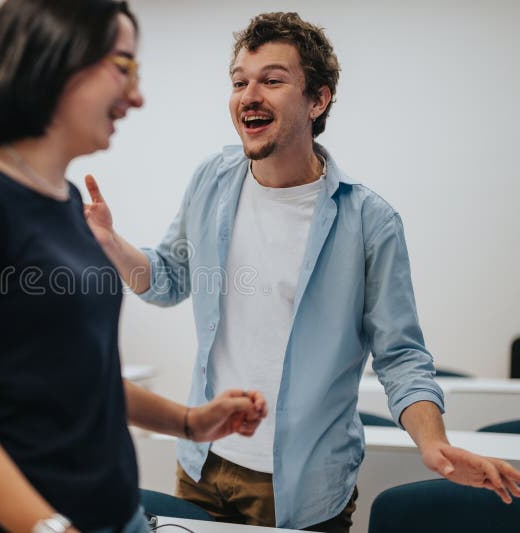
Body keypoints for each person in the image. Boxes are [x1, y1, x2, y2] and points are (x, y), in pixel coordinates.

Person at [83, 11, 520, 533]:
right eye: (239, 82)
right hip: (204, 462)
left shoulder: (369, 221)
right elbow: (169, 279)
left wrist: (435, 444)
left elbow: (401, 356)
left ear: (318, 99)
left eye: (271, 80)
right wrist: (110, 243)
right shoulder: (212, 180)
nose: (249, 95)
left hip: (305, 484)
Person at [0, 2, 267, 533]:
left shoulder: (66, 200)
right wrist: (47, 527)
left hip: (114, 515)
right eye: (124, 67)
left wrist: (190, 423)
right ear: (53, 58)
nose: (136, 96)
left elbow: (80, 376)